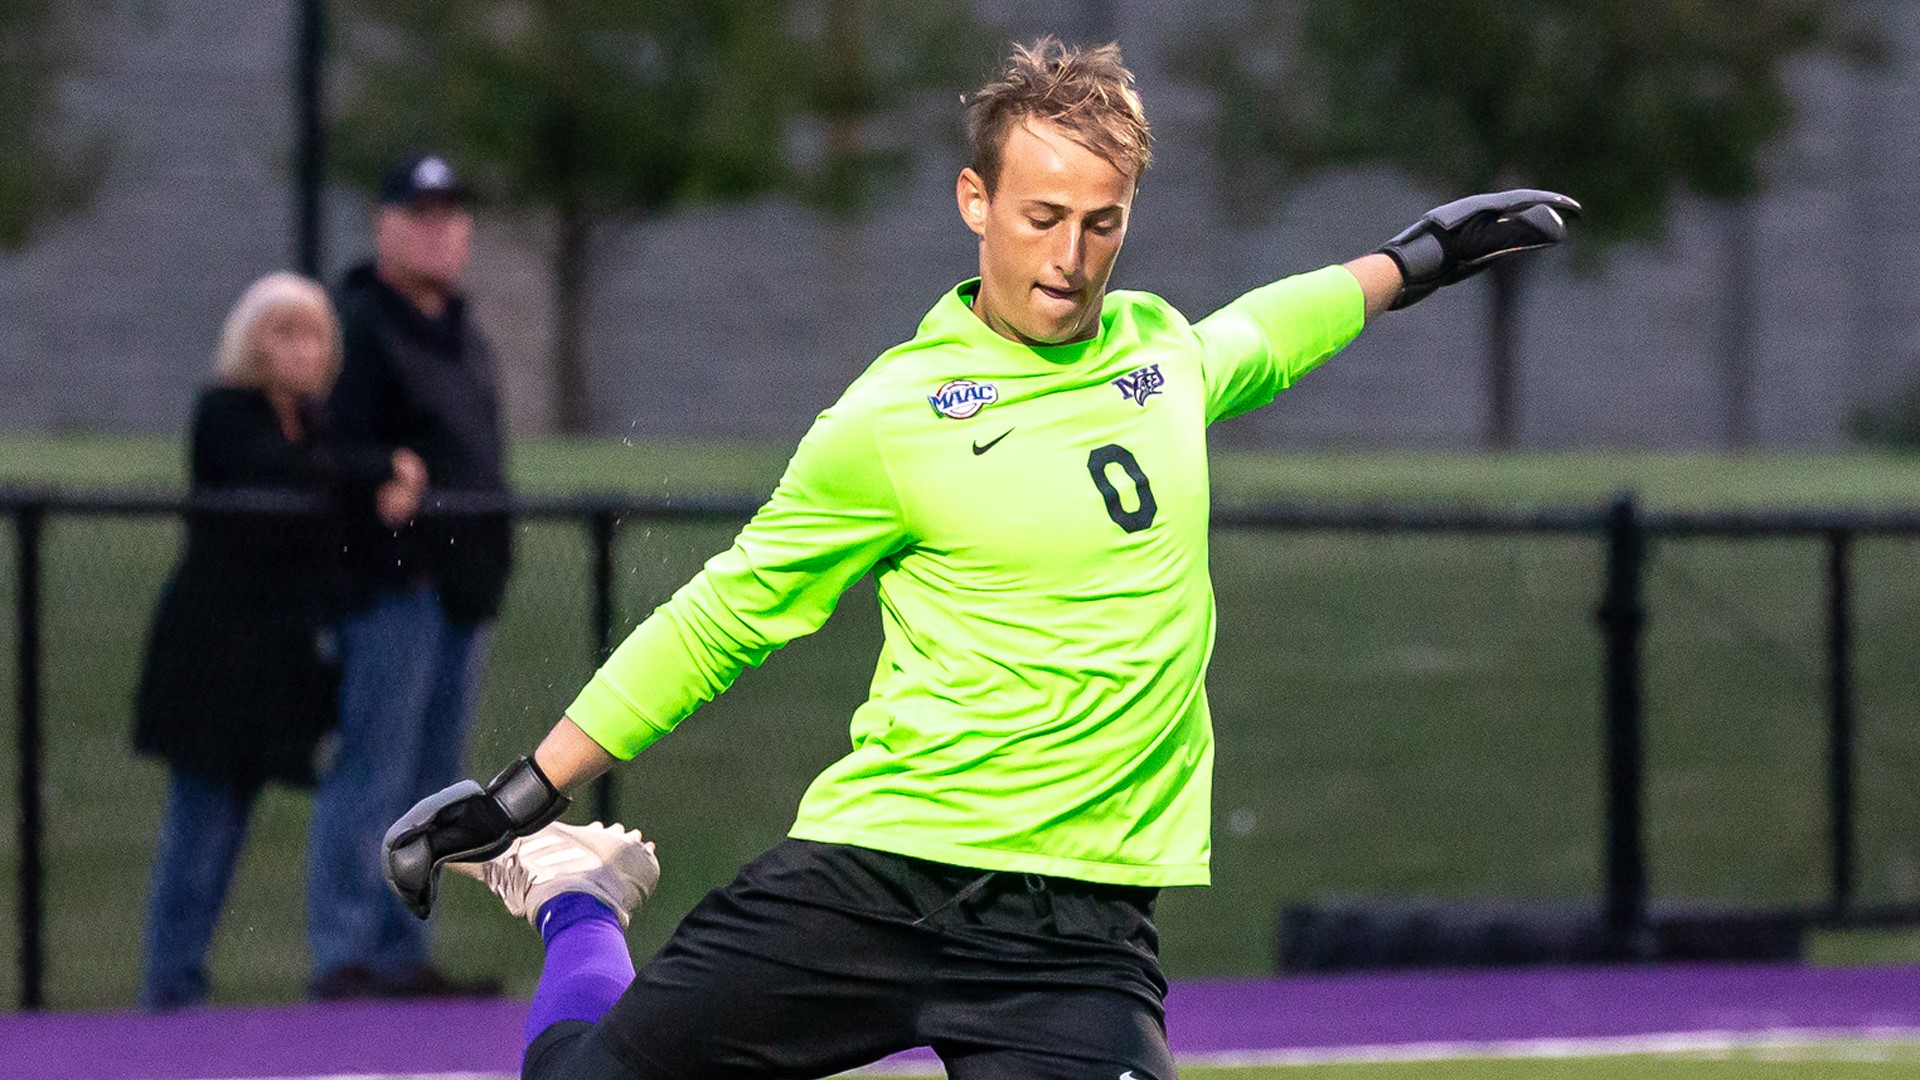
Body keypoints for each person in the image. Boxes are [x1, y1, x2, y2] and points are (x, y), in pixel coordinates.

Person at [386, 39, 1579, 1078]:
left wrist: (1414, 261)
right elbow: (723, 617)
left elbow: (1262, 332)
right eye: (1041, 216)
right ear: (975, 199)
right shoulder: (893, 419)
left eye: (1101, 222)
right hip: (880, 878)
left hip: (1079, 937)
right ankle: (577, 897)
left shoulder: (1157, 352)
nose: (1070, 254)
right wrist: (520, 796)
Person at [134, 272, 426, 1010]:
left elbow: (333, 484)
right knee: (200, 829)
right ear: (252, 341)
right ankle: (170, 986)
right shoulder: (227, 414)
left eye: (312, 335)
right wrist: (376, 473)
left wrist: (389, 484)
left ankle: (184, 983)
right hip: (212, 657)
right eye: (283, 333)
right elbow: (294, 480)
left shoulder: (317, 426)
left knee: (230, 831)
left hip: (275, 664)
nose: (299, 351)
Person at [305, 153, 513, 999]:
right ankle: (345, 954)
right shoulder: (358, 322)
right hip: (394, 587)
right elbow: (322, 449)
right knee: (374, 772)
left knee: (432, 784)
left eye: (452, 213)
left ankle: (398, 953)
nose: (440, 228)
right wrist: (380, 470)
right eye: (420, 212)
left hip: (460, 587)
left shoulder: (459, 330)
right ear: (383, 225)